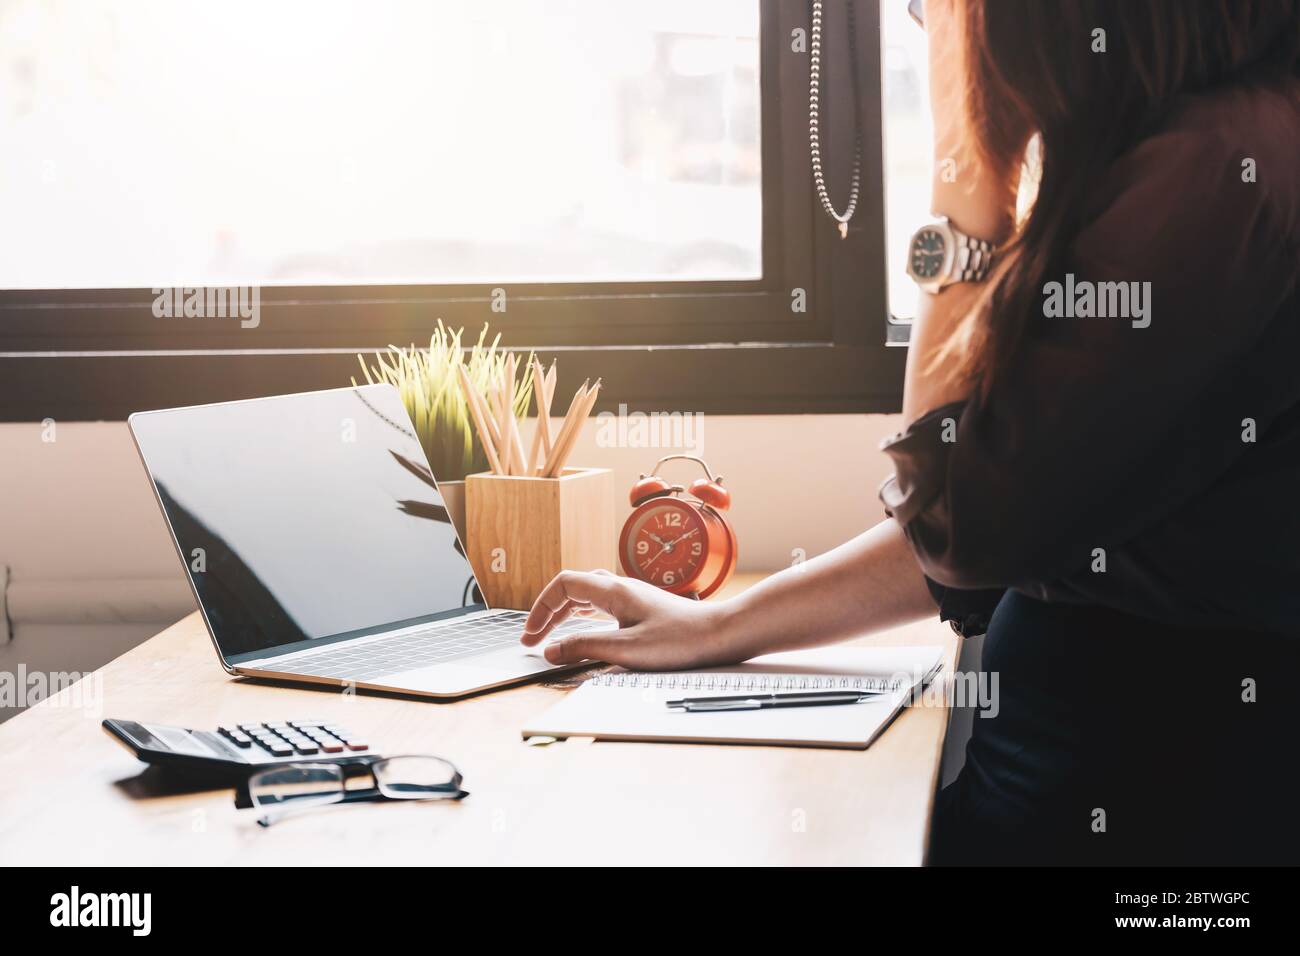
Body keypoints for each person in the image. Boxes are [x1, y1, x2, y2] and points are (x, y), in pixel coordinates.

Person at [520, 0, 1300, 865]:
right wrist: (714, 630)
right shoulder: (1212, 139)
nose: (922, 24)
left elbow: (961, 522)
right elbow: (995, 517)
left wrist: (966, 161)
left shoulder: (1223, 163)